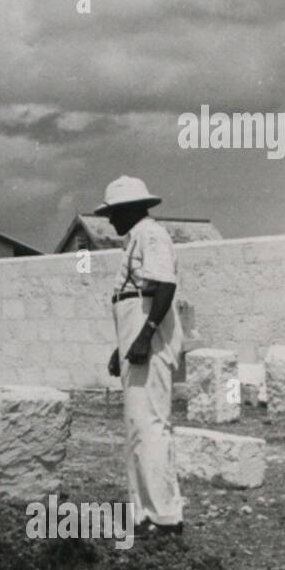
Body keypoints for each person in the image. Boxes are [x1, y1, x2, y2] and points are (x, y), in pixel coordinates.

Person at [95, 176, 185, 533]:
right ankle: (145, 513)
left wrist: (145, 336)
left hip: (149, 334)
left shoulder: (151, 235)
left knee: (150, 424)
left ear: (132, 209)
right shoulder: (135, 239)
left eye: (115, 212)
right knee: (137, 426)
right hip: (135, 331)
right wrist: (124, 344)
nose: (111, 221)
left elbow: (164, 287)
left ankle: (165, 515)